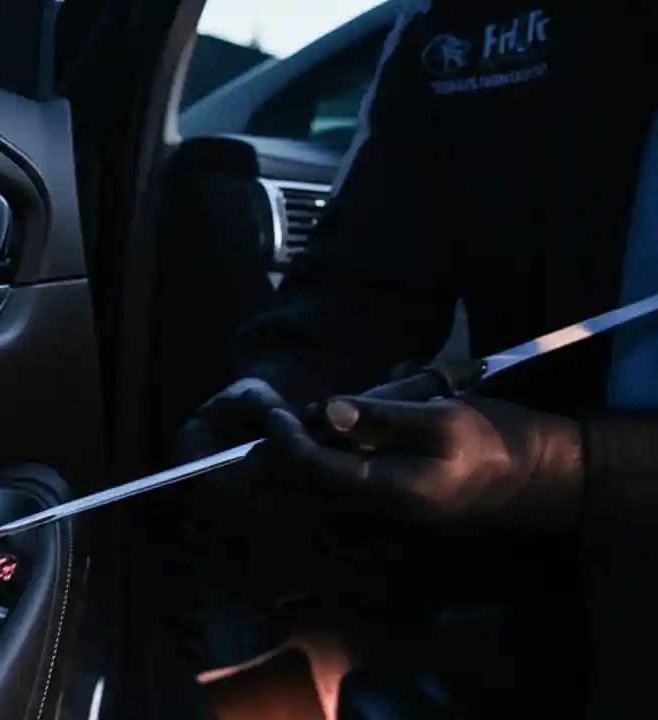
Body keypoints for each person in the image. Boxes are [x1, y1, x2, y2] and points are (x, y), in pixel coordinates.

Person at [180, 0, 657, 715]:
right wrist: (277, 387)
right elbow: (360, 277)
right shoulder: (449, 23)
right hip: (544, 606)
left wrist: (572, 468)